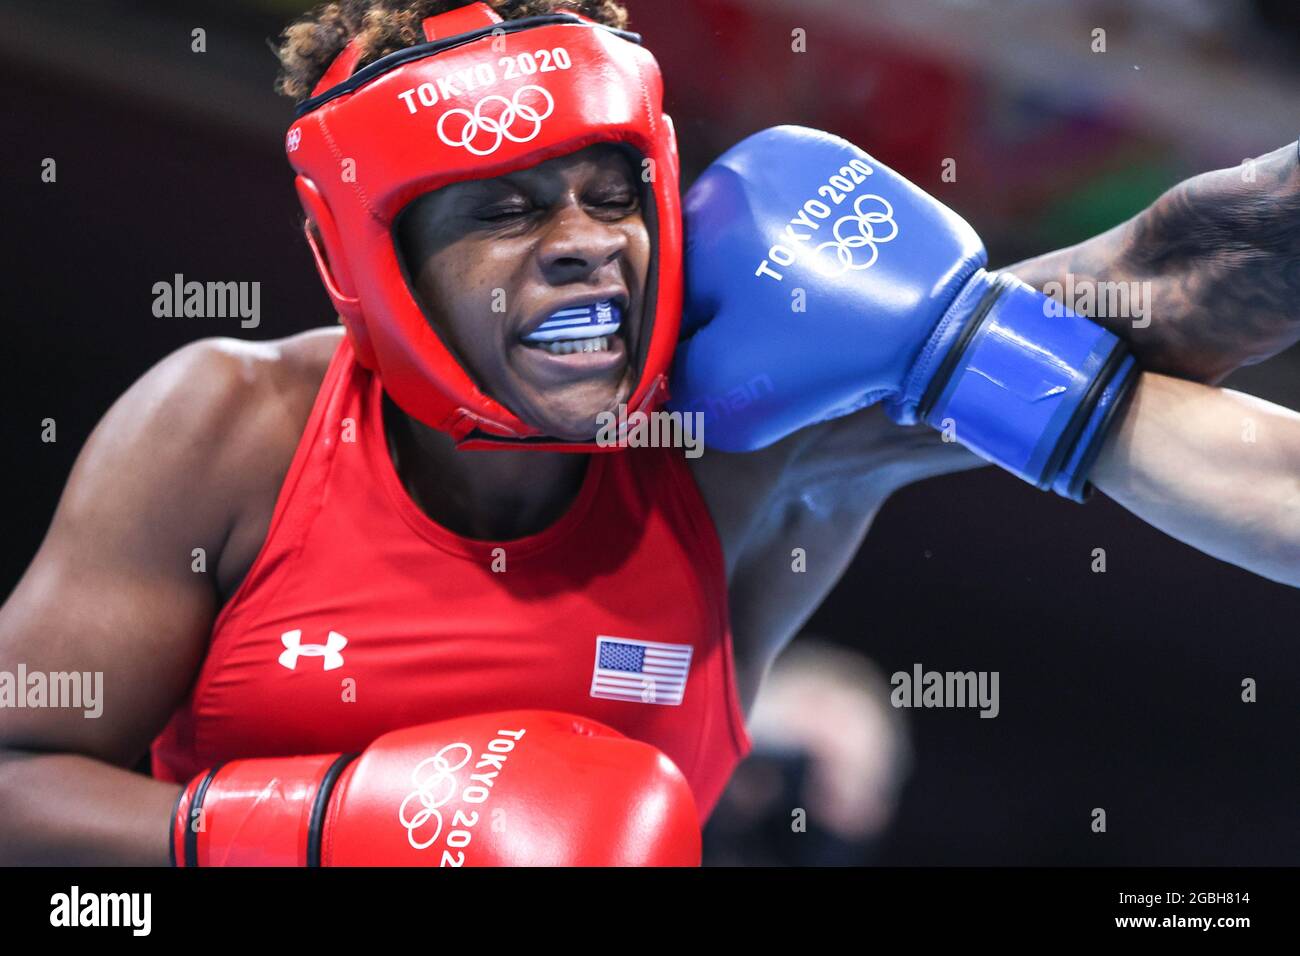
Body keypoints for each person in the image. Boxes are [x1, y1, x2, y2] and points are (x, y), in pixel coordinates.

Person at [0, 0, 1295, 866]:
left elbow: (1166, 294)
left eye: (612, 192)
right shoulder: (230, 425)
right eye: (505, 207)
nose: (580, 243)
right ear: (365, 252)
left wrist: (966, 329)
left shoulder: (748, 447)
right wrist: (324, 831)